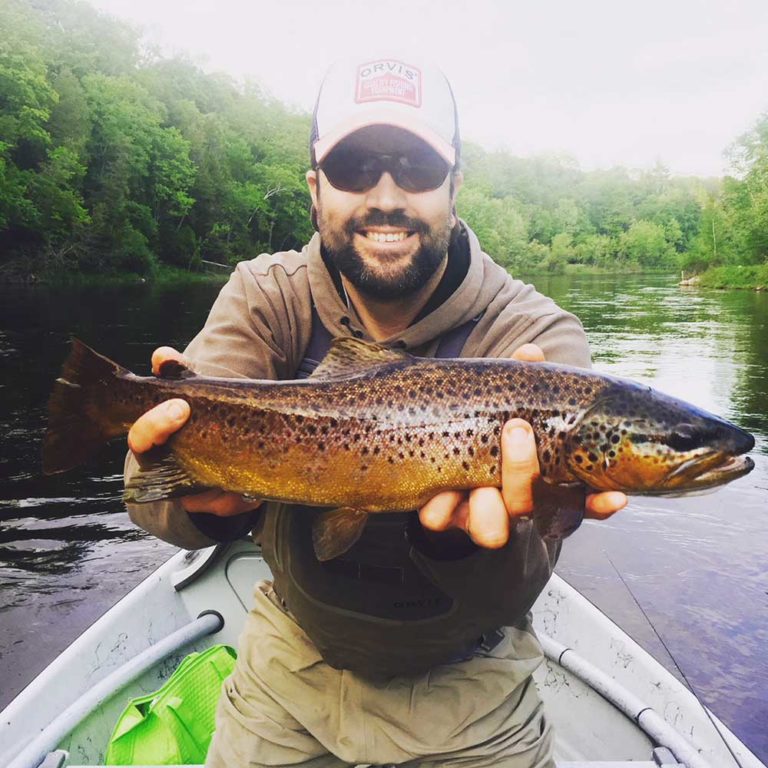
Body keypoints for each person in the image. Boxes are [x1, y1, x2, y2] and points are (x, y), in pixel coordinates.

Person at [125, 56, 627, 767]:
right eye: (356, 166)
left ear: (455, 188)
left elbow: (527, 569)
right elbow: (147, 499)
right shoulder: (266, 297)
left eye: (416, 167)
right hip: (286, 664)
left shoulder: (533, 340)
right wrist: (210, 503)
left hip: (471, 687)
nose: (385, 194)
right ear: (315, 189)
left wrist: (459, 540)